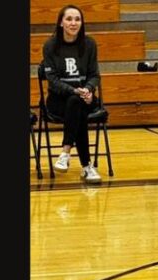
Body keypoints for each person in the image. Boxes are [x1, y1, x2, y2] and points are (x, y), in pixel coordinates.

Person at [42, 4, 103, 183]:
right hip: (58, 100)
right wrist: (75, 91)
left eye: (77, 19)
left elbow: (94, 75)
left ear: (82, 23)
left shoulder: (89, 44)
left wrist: (90, 90)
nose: (73, 23)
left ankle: (65, 152)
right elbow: (52, 79)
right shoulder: (50, 45)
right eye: (69, 19)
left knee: (76, 105)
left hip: (84, 97)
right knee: (76, 106)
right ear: (61, 23)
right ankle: (87, 167)